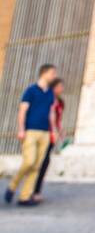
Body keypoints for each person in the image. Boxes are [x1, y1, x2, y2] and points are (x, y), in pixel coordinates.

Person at [5, 64, 57, 207]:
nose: (54, 76)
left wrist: (53, 130)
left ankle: (24, 196)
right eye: (52, 73)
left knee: (36, 166)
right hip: (30, 131)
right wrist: (21, 129)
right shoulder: (31, 90)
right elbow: (22, 110)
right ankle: (13, 185)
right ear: (44, 73)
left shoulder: (50, 93)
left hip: (45, 132)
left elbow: (51, 113)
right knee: (29, 161)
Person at [32, 76, 65, 202]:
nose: (62, 89)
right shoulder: (47, 99)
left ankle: (36, 190)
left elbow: (58, 119)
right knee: (37, 162)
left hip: (51, 136)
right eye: (60, 86)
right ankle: (31, 190)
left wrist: (60, 131)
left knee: (45, 162)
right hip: (44, 133)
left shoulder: (60, 102)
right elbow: (48, 116)